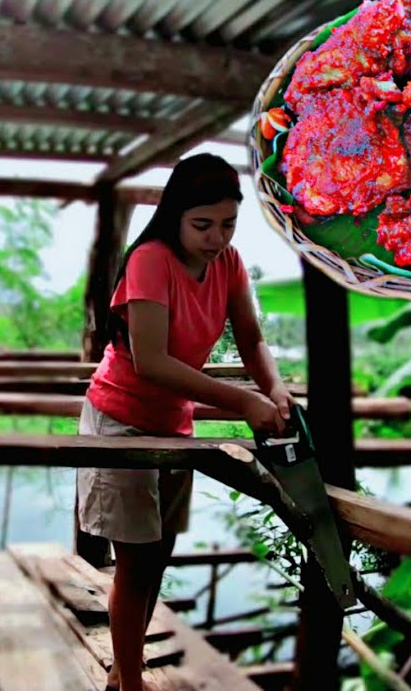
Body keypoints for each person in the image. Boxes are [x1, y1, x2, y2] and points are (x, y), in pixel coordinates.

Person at [76, 153, 292, 691]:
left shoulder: (230, 263)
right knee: (136, 560)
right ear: (175, 215)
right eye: (202, 225)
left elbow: (251, 336)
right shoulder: (151, 259)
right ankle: (129, 682)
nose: (216, 238)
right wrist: (242, 404)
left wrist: (275, 388)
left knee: (158, 555)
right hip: (121, 419)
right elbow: (150, 361)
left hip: (173, 422)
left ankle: (121, 673)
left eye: (227, 225)